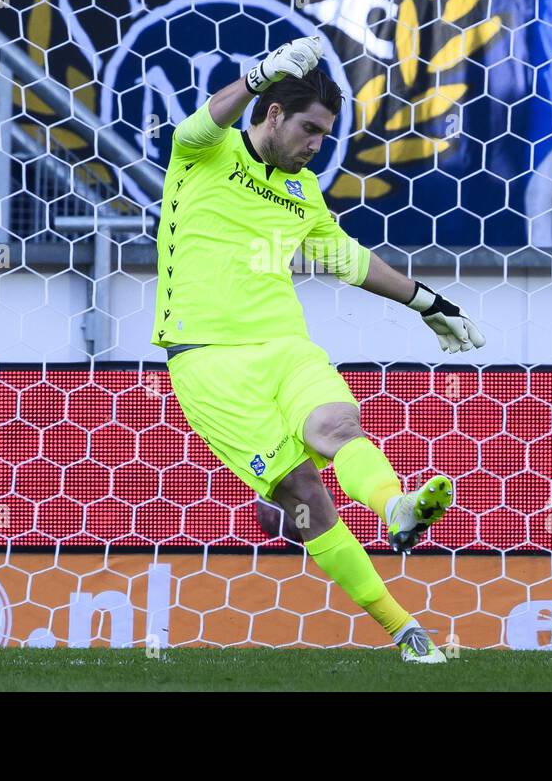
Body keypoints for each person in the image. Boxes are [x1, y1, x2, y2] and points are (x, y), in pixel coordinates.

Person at [153, 36, 486, 662]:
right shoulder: (205, 153)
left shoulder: (302, 192)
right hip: (207, 360)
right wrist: (256, 76)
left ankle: (398, 507)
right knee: (303, 493)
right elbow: (200, 124)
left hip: (285, 344)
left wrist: (429, 303)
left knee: (338, 424)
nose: (316, 145)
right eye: (309, 129)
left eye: (325, 136)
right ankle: (401, 628)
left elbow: (348, 260)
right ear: (273, 115)